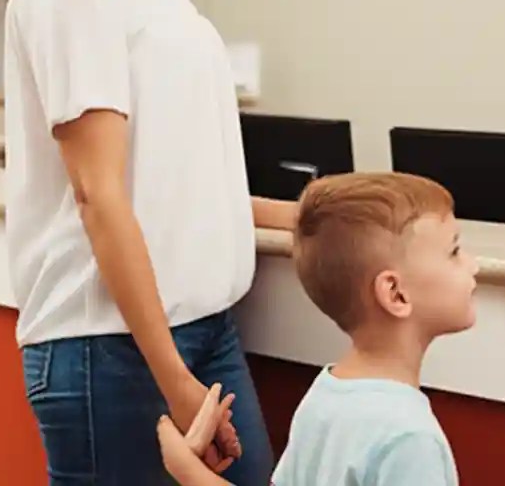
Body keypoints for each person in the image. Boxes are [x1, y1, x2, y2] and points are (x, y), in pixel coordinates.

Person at [5, 0, 295, 482]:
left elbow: (171, 180)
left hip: (200, 330)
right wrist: (172, 378)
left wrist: (311, 216)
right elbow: (99, 195)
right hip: (116, 349)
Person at [156, 172, 477, 485]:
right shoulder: (410, 441)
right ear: (395, 293)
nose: (472, 264)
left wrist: (191, 473)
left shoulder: (323, 398)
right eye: (454, 252)